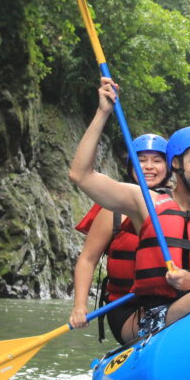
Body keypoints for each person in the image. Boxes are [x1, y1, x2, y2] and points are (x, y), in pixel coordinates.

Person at [69, 78, 190, 342]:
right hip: (145, 314)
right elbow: (80, 174)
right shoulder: (145, 202)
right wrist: (103, 113)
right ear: (177, 163)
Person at [69, 133, 168, 343]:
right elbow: (87, 259)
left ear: (170, 166)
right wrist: (79, 306)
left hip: (166, 300)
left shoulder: (179, 205)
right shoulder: (112, 210)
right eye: (141, 160)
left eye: (157, 160)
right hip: (125, 307)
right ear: (131, 166)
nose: (149, 166)